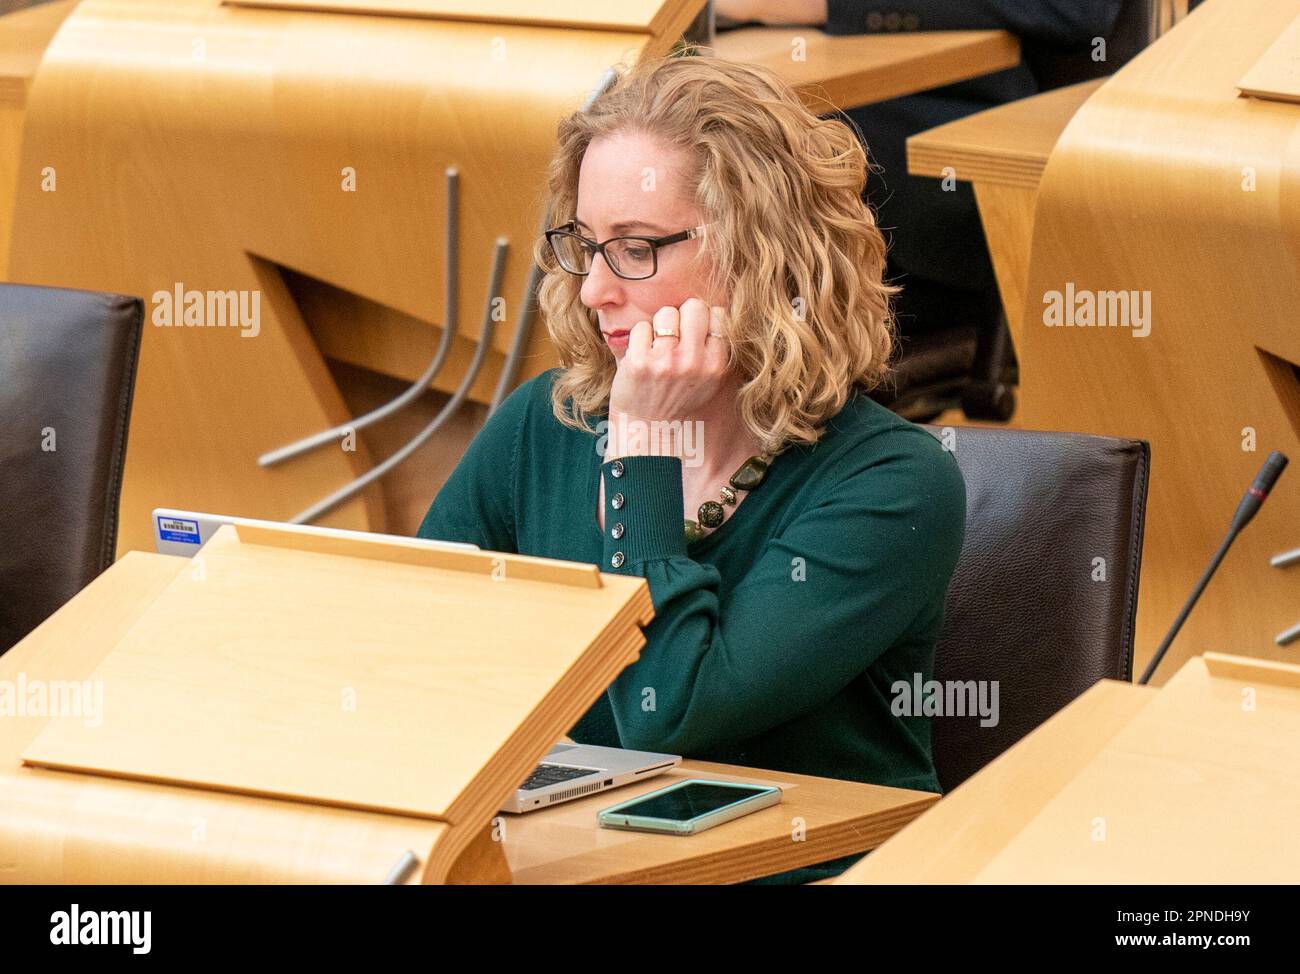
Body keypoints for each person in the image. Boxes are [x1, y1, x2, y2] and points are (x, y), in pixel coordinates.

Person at [417, 51, 966, 883]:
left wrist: (642, 452)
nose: (597, 288)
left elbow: (670, 714)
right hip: (576, 864)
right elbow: (413, 647)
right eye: (586, 245)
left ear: (762, 253)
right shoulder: (545, 424)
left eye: (635, 249)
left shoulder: (896, 483)